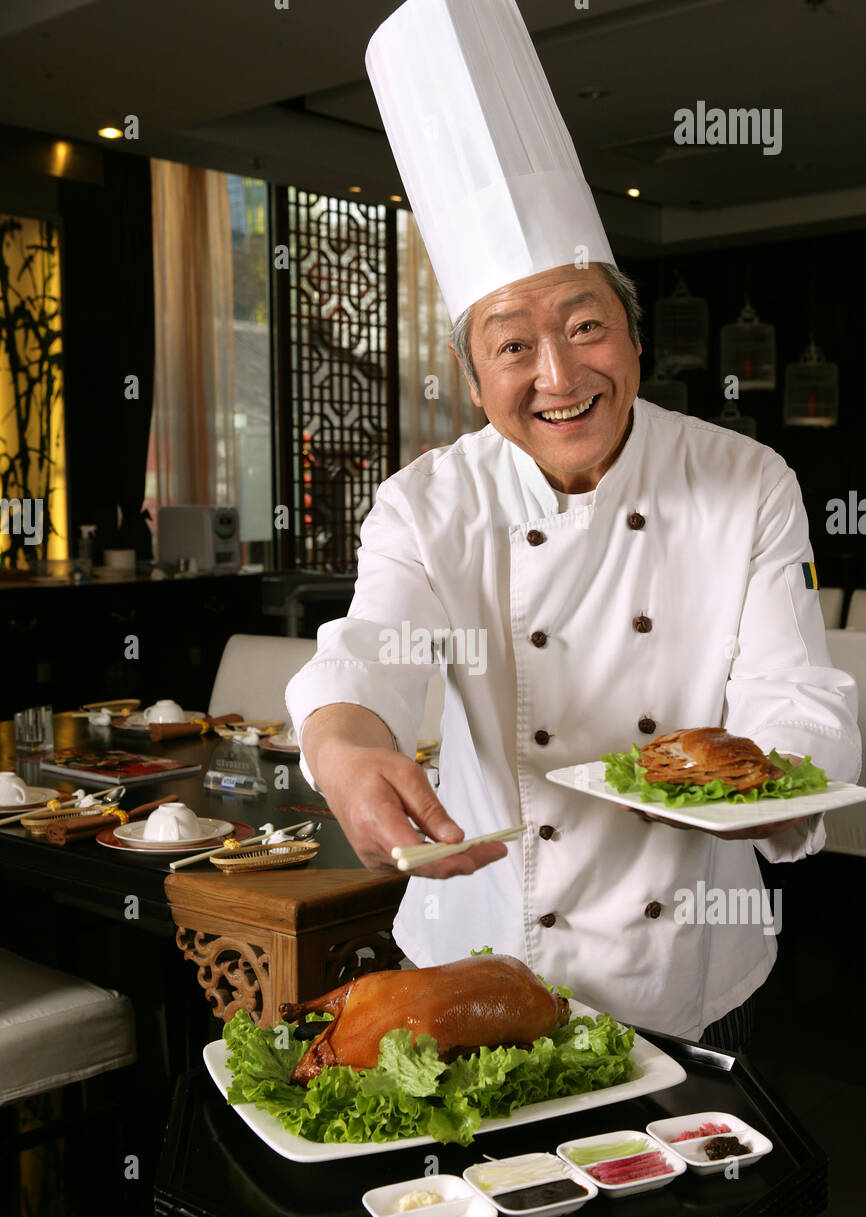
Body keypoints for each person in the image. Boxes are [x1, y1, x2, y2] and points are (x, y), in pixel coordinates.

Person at [286, 0, 860, 1048]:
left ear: (633, 341)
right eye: (512, 345)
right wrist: (341, 738)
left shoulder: (744, 478)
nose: (557, 376)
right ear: (471, 378)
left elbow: (789, 686)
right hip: (477, 948)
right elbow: (373, 649)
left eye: (585, 326)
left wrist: (777, 787)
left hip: (687, 952)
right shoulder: (430, 501)